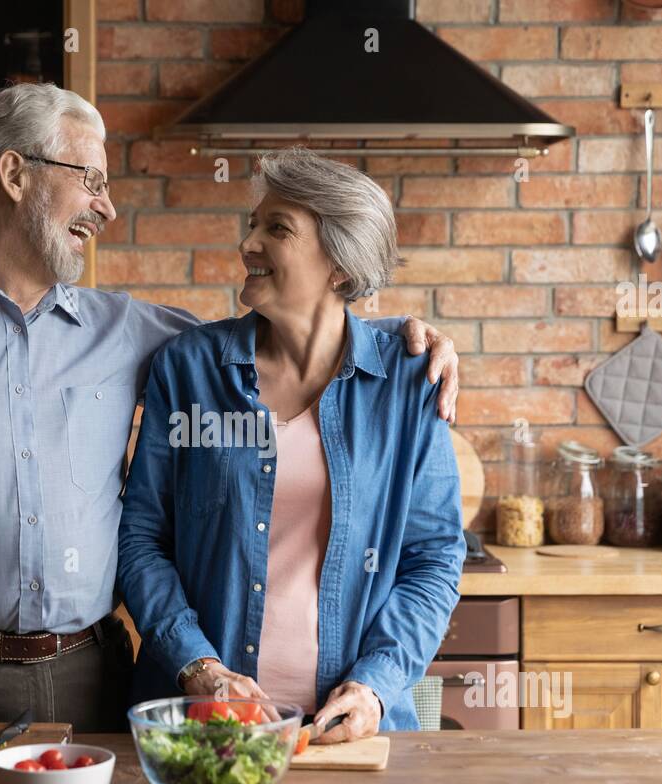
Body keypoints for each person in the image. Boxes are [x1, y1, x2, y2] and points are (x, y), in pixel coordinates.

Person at [0, 83, 461, 738]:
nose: (107, 208)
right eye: (91, 180)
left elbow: (297, 336)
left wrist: (399, 337)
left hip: (96, 674)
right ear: (14, 174)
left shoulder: (134, 333)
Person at [119, 148, 466, 740]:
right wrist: (198, 668)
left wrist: (375, 685)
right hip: (201, 730)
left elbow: (432, 558)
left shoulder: (408, 381)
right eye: (252, 224)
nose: (249, 244)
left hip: (348, 735)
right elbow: (142, 538)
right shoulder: (189, 371)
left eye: (276, 228)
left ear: (339, 265)